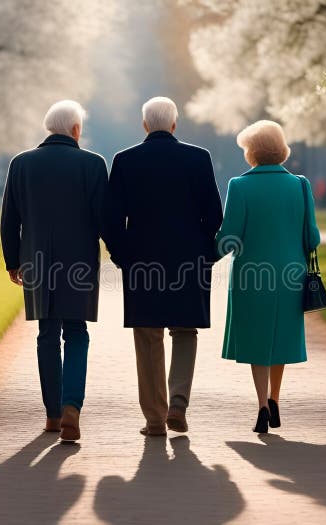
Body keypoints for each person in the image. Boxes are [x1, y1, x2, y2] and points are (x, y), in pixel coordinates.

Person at [103, 96, 223, 436]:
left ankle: (155, 418)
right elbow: (214, 216)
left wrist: (122, 256)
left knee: (148, 334)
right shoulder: (198, 158)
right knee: (185, 331)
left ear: (144, 125)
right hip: (188, 260)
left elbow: (110, 219)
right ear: (174, 124)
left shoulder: (124, 160)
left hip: (142, 261)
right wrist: (207, 254)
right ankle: (179, 403)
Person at [0, 100, 107, 442]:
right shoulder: (92, 164)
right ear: (76, 130)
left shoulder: (21, 163)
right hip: (79, 262)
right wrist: (121, 253)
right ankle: (72, 405)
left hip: (36, 259)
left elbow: (9, 220)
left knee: (47, 335)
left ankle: (52, 414)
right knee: (76, 332)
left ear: (49, 128)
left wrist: (12, 262)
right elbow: (103, 218)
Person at [216, 120, 320, 434]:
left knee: (258, 338)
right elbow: (312, 237)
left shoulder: (239, 185)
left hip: (252, 273)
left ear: (252, 151)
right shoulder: (301, 185)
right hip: (291, 273)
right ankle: (276, 398)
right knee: (281, 336)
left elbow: (228, 238)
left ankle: (261, 404)